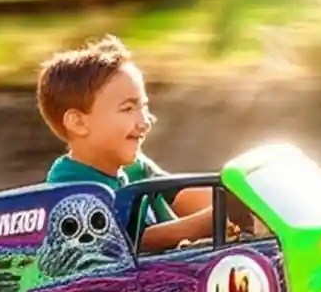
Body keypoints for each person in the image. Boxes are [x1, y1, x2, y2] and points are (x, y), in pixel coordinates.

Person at [35, 34, 218, 252]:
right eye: (128, 109)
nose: (145, 122)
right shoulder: (69, 190)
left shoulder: (135, 168)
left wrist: (237, 201)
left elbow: (187, 196)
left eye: (144, 107)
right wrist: (208, 222)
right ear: (79, 122)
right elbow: (121, 246)